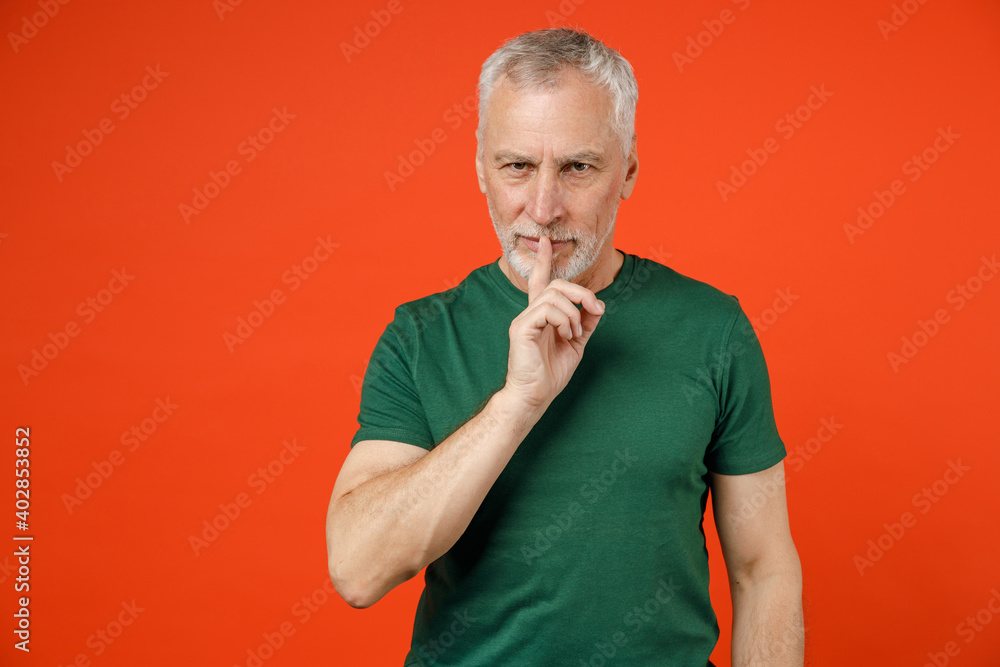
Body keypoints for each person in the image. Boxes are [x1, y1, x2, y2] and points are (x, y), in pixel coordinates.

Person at [326, 27, 803, 666]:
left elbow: (763, 568)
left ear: (628, 168)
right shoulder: (419, 337)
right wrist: (516, 404)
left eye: (577, 167)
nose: (544, 207)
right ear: (480, 169)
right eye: (517, 165)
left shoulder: (713, 327)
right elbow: (358, 572)